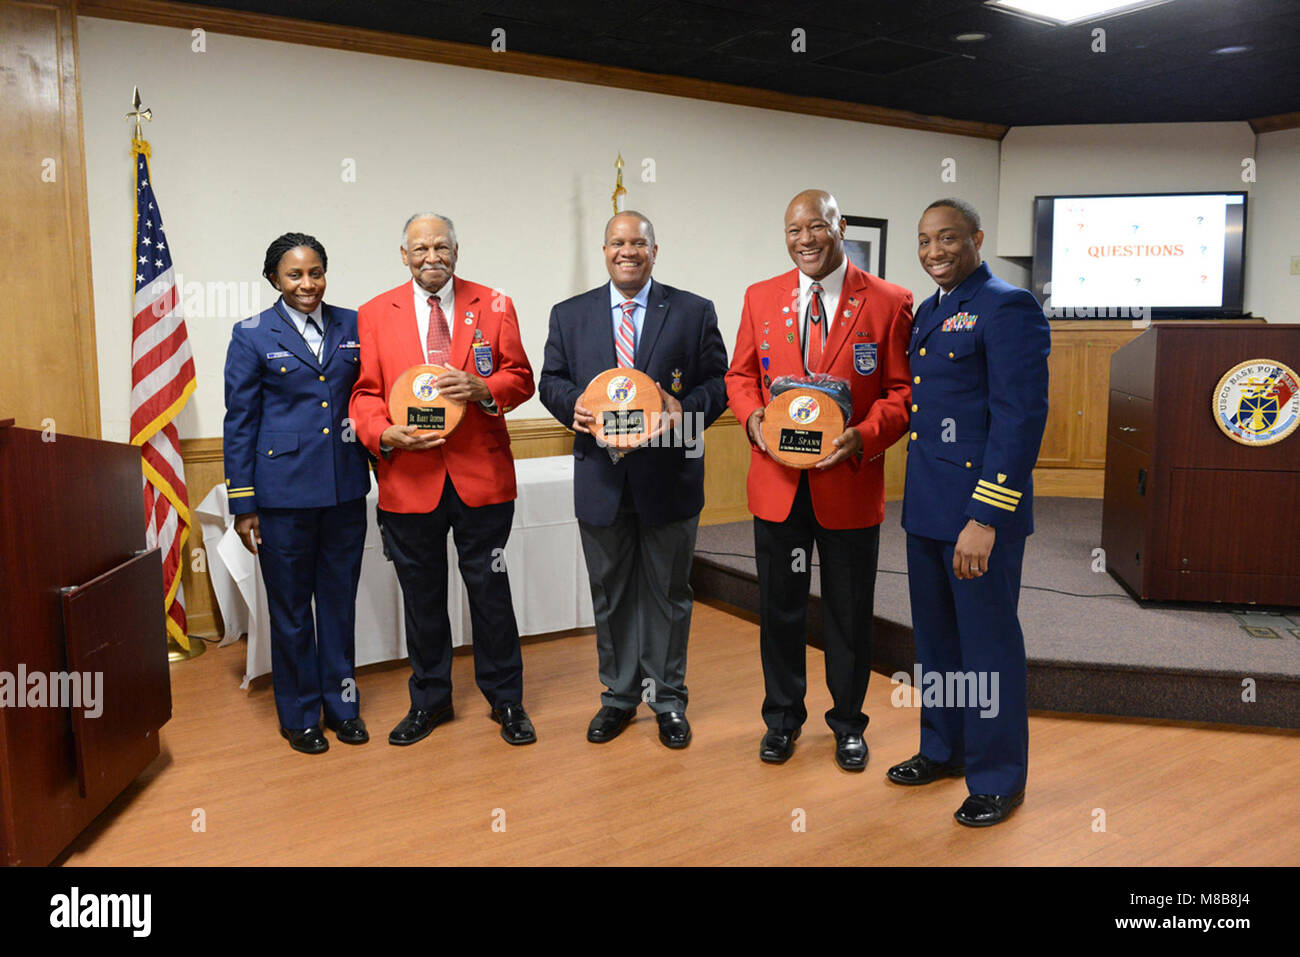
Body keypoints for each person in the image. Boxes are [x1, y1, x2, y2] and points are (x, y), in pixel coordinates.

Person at [725, 190, 913, 771]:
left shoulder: (889, 300)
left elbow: (903, 394)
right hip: (778, 485)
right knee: (779, 608)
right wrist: (753, 418)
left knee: (849, 613)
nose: (804, 238)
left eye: (816, 226)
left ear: (840, 226)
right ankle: (781, 720)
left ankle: (849, 724)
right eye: (793, 230)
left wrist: (865, 435)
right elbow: (738, 376)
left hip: (849, 484)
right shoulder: (761, 297)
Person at [887, 198, 1050, 827]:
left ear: (977, 238)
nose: (934, 252)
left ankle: (998, 778)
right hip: (927, 507)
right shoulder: (929, 310)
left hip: (979, 515)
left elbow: (1020, 417)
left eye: (948, 239)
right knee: (938, 643)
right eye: (924, 241)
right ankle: (944, 748)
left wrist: (986, 517)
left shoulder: (1009, 305)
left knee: (987, 647)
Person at [538, 211, 728, 748]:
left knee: (669, 593)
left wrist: (682, 408)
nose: (628, 251)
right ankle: (619, 697)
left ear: (654, 249)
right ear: (604, 251)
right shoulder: (569, 314)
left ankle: (668, 698)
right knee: (612, 592)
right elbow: (549, 380)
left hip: (669, 477)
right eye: (618, 243)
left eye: (638, 242)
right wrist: (572, 405)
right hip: (601, 479)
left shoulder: (693, 312)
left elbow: (720, 382)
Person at [348, 213, 537, 747]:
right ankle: (430, 702)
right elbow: (363, 394)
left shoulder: (495, 304)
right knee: (422, 598)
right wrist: (384, 434)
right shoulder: (372, 314)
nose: (432, 256)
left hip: (481, 477)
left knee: (491, 594)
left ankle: (508, 702)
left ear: (457, 250)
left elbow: (520, 378)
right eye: (421, 248)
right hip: (409, 480)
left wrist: (482, 388)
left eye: (442, 246)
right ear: (403, 255)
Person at [223, 232, 372, 754]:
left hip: (344, 490)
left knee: (338, 604)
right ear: (274, 280)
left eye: (315, 273)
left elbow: (369, 397)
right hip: (282, 497)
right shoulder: (251, 334)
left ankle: (343, 705)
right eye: (295, 275)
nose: (307, 284)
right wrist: (243, 506)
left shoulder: (355, 324)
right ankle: (301, 714)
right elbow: (240, 422)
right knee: (289, 610)